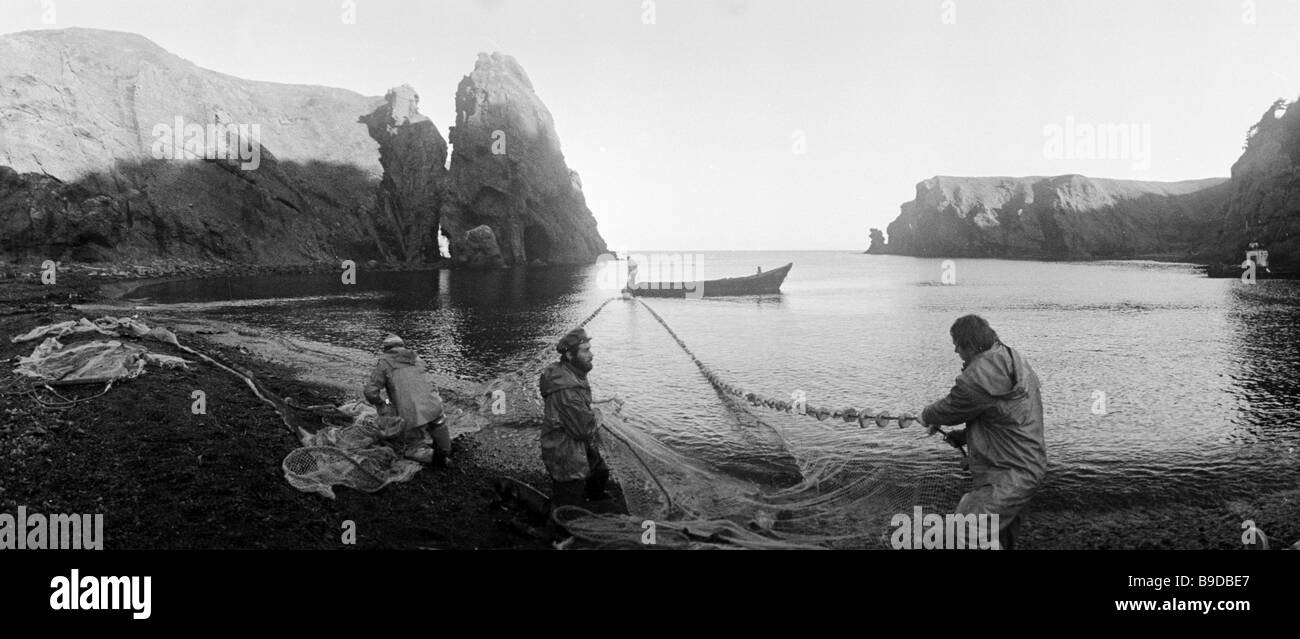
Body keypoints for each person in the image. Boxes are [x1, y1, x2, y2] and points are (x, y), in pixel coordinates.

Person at [914, 315, 1046, 550]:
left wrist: (925, 416)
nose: (955, 350)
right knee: (999, 536)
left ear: (972, 344)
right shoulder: (1010, 359)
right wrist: (965, 436)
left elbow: (951, 407)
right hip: (1027, 467)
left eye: (957, 343)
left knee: (964, 530)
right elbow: (1005, 416)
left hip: (1009, 475)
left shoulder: (978, 377)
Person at [538, 328, 613, 512]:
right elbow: (583, 430)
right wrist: (600, 414)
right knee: (567, 505)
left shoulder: (569, 373)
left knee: (600, 471)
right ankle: (561, 531)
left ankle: (593, 500)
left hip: (578, 442)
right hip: (565, 450)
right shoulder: (567, 391)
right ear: (570, 356)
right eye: (586, 351)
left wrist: (594, 408)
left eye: (590, 349)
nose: (592, 355)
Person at [363, 334, 452, 468]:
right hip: (434, 404)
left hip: (411, 413)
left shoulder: (384, 362)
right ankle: (446, 449)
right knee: (438, 424)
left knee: (413, 447)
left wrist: (382, 402)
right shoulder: (417, 358)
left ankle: (438, 459)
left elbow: (370, 391)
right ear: (402, 346)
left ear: (386, 349)